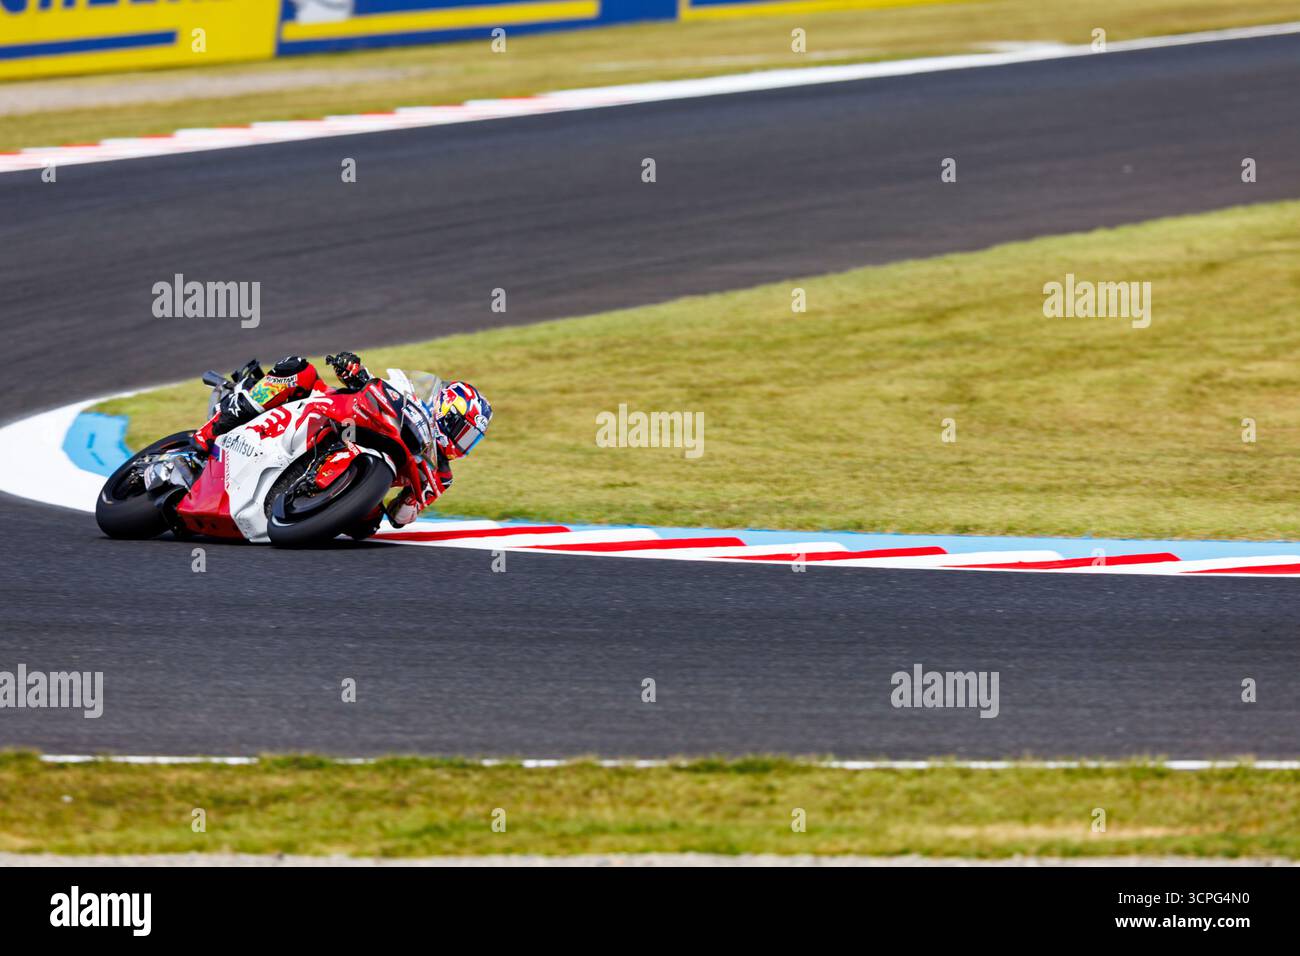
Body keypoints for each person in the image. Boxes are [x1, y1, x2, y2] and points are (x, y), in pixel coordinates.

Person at [191, 352, 492, 527]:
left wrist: (412, 502)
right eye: (461, 430)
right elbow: (375, 389)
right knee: (300, 369)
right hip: (328, 412)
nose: (461, 442)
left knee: (366, 525)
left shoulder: (440, 475)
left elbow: (399, 517)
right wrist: (354, 370)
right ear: (444, 412)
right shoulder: (410, 399)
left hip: (356, 477)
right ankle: (208, 434)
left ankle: (304, 506)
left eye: (470, 439)